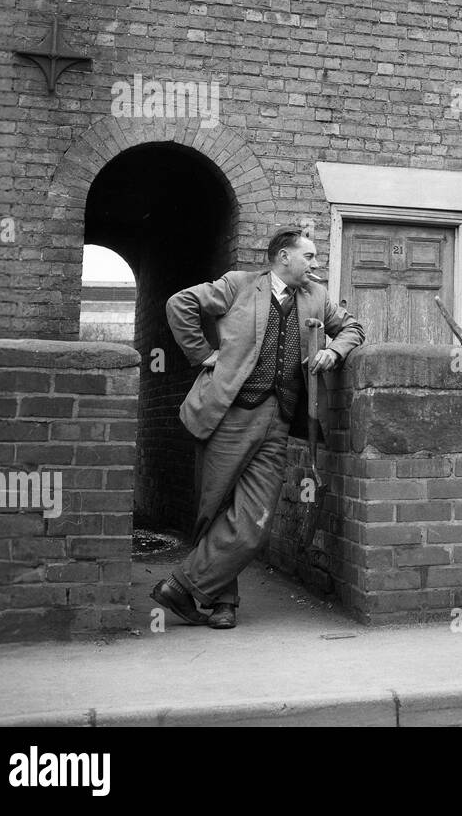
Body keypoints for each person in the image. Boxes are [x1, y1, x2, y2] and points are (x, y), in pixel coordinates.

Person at [151, 228, 365, 630]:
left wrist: (333, 350)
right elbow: (179, 304)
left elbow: (353, 329)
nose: (316, 264)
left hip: (279, 419)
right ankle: (221, 603)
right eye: (310, 256)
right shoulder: (238, 285)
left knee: (255, 520)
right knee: (215, 511)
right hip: (228, 415)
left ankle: (181, 587)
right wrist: (202, 355)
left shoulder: (317, 296)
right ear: (283, 257)